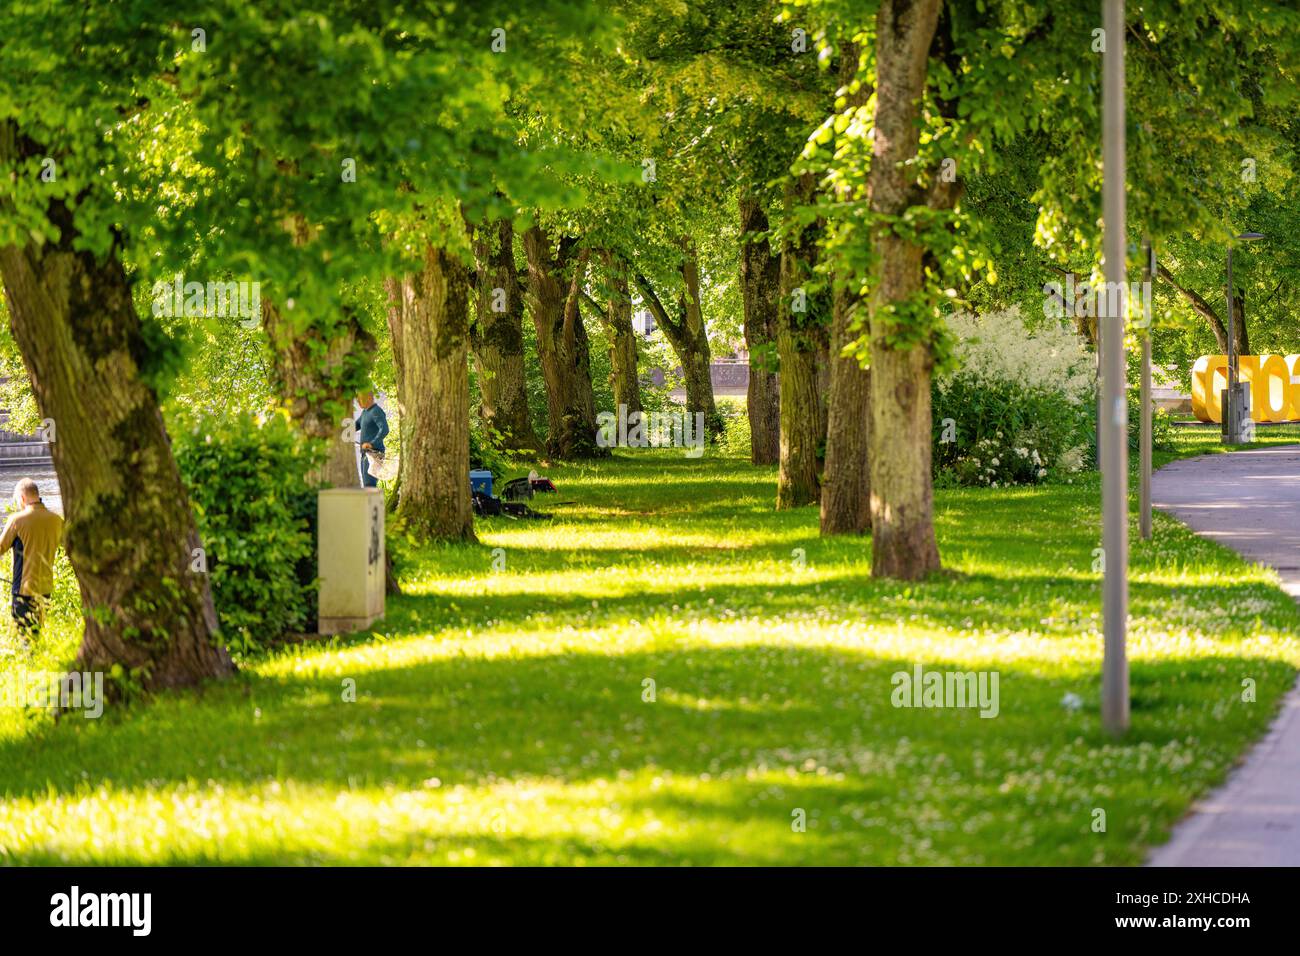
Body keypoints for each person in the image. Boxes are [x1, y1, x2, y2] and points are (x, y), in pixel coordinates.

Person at [0, 478, 63, 635]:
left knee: (25, 639)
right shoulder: (56, 521)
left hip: (24, 592)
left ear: (22, 498)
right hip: (46, 590)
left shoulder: (17, 520)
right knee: (37, 635)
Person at [355, 391, 390, 488]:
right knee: (366, 484)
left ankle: (374, 503)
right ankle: (367, 503)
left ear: (369, 397)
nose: (357, 401)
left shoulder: (376, 411)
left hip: (374, 454)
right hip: (365, 454)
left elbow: (385, 429)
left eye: (360, 398)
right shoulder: (365, 412)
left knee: (370, 484)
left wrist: (372, 443)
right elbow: (355, 426)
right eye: (357, 399)